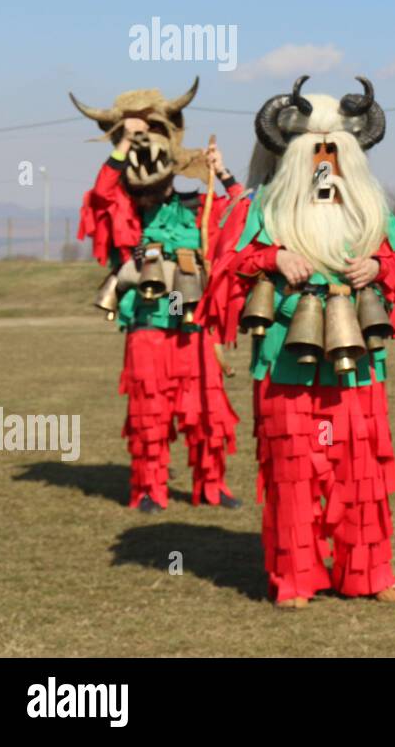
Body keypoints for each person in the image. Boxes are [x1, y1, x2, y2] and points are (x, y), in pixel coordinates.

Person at [202, 76, 395, 609]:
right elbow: (225, 272)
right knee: (291, 472)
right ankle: (295, 579)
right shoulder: (264, 213)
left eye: (335, 154)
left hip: (358, 371)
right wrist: (271, 258)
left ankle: (368, 574)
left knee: (361, 473)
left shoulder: (374, 219)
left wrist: (378, 265)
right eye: (316, 154)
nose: (326, 165)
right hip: (285, 367)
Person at [73, 78, 241, 511]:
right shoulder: (125, 213)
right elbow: (101, 197)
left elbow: (244, 219)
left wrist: (223, 173)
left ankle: (212, 485)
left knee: (207, 409)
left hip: (193, 323)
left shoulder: (199, 207)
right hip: (149, 322)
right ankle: (149, 488)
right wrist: (122, 145)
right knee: (150, 410)